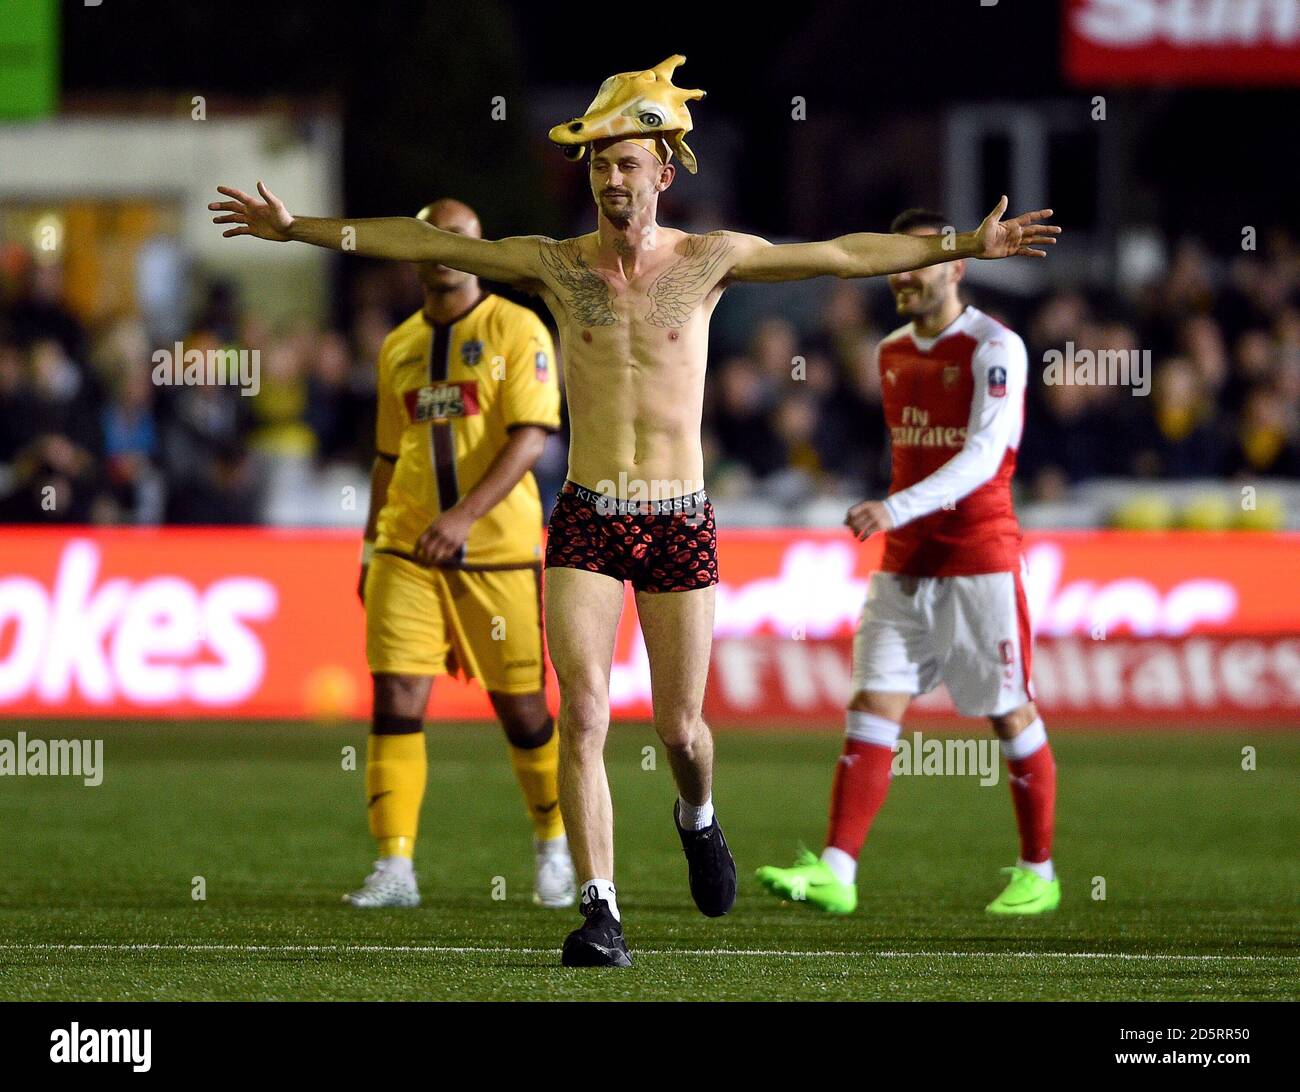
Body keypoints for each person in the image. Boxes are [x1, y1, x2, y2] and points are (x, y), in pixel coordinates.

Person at [210, 55, 1059, 965]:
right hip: (587, 516)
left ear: (664, 169)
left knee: (682, 730)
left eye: (627, 164)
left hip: (680, 519)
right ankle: (601, 909)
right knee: (583, 717)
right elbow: (426, 245)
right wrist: (296, 228)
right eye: (599, 165)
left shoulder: (709, 260)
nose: (612, 180)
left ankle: (697, 815)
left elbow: (847, 254)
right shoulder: (554, 265)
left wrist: (960, 245)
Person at [757, 208, 1060, 917]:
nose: (902, 274)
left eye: (917, 261)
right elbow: (910, 452)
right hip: (904, 565)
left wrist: (894, 507)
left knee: (1009, 713)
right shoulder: (891, 350)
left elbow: (984, 456)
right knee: (871, 706)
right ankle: (838, 870)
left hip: (978, 559)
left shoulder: (995, 347)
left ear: (956, 266)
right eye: (894, 261)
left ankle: (1038, 872)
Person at [346, 198, 573, 911]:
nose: (444, 249)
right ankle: (395, 867)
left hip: (497, 551)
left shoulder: (517, 327)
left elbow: (531, 438)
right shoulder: (398, 346)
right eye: (432, 238)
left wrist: (464, 517)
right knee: (396, 696)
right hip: (406, 547)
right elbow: (388, 455)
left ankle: (555, 845)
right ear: (413, 251)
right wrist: (369, 541)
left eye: (462, 239)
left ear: (483, 250)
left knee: (524, 709)